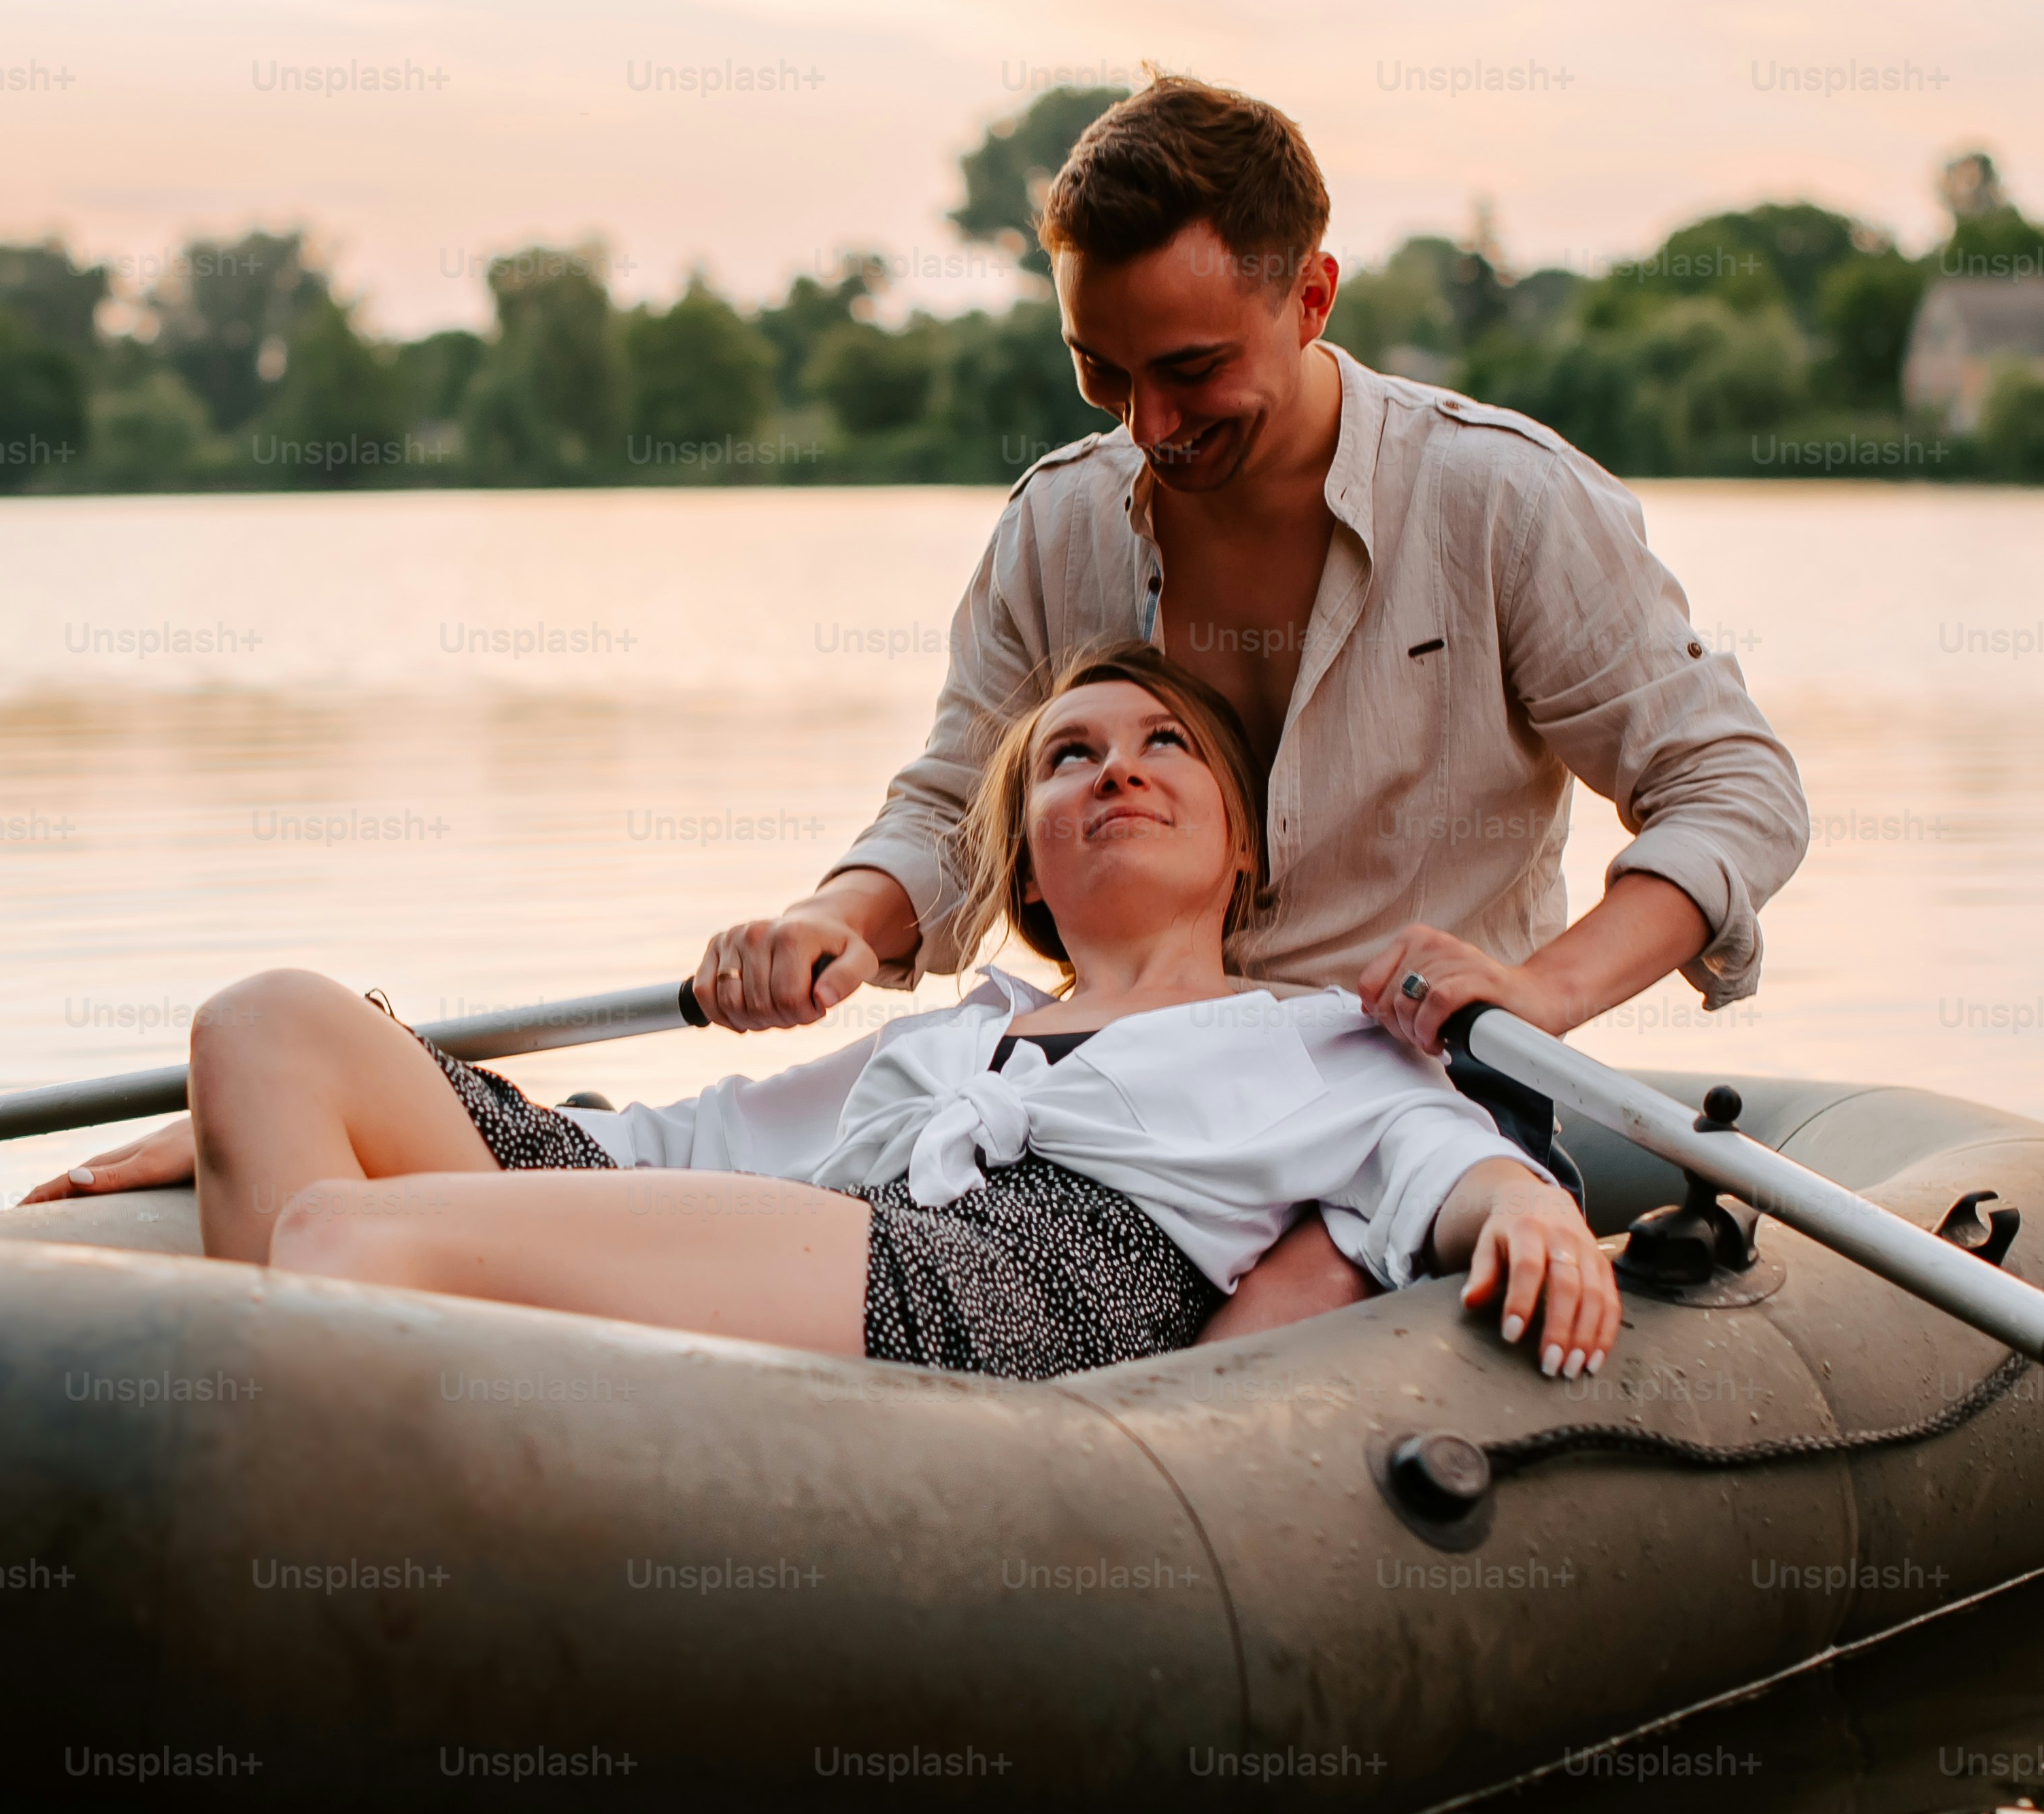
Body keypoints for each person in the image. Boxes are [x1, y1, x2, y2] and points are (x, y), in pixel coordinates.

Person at [692, 75, 1807, 1319]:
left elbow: (1734, 791)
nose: (1149, 425)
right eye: (1100, 372)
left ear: (1312, 297)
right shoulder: (1055, 526)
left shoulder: (1505, 502)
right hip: (1132, 1106)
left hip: (1414, 1104)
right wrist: (837, 915)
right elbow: (957, 808)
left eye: (1191, 369)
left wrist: (1543, 991)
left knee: (1296, 1292)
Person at [22, 644, 1621, 1384]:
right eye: (1069, 755)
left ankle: (310, 1606)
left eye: (1164, 748)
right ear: (1028, 872)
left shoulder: (1314, 1035)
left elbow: (1444, 1160)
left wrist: (1532, 1206)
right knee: (263, 1023)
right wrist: (294, 1111)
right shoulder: (949, 1032)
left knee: (339, 1235)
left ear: (1245, 845)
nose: (1115, 769)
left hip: (1005, 1291)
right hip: (827, 1236)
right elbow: (672, 1146)